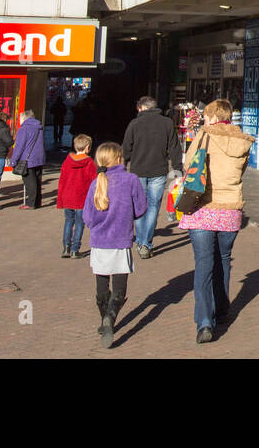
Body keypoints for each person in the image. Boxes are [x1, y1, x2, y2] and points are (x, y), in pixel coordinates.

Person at [178, 100, 253, 343]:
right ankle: (222, 310)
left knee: (203, 264)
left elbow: (189, 165)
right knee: (223, 260)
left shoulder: (204, 135)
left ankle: (204, 323)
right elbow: (239, 173)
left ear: (212, 117)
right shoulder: (243, 140)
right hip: (231, 209)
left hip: (203, 207)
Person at [83, 142, 147, 349]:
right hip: (121, 240)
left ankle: (104, 319)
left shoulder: (96, 183)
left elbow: (87, 216)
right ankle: (111, 315)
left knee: (101, 285)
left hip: (100, 242)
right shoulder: (131, 180)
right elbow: (141, 208)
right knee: (119, 286)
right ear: (119, 159)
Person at [121, 96, 183, 259]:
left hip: (138, 171)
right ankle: (146, 243)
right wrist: (178, 170)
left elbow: (126, 149)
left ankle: (141, 241)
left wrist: (120, 168)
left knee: (139, 207)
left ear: (141, 108)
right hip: (159, 170)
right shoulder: (167, 123)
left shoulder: (134, 124)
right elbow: (175, 148)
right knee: (154, 207)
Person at [57, 134, 98, 258]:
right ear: (87, 148)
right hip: (82, 197)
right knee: (80, 223)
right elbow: (94, 180)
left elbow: (62, 180)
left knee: (68, 222)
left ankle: (66, 248)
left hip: (68, 196)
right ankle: (75, 249)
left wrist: (60, 198)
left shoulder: (67, 161)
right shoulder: (89, 162)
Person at [9, 109, 46, 209]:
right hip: (39, 157)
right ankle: (37, 202)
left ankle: (31, 203)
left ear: (24, 118)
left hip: (28, 159)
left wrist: (13, 160)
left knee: (30, 182)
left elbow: (19, 146)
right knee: (37, 180)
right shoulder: (39, 127)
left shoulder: (24, 129)